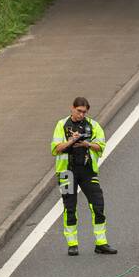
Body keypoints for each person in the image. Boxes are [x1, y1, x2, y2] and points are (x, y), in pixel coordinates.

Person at [51, 97, 116, 256]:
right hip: (67, 172)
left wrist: (87, 144)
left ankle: (101, 242)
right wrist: (71, 141)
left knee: (98, 205)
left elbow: (100, 146)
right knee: (70, 208)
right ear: (72, 108)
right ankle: (72, 244)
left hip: (87, 171)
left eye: (84, 112)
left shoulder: (93, 126)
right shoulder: (61, 125)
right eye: (79, 111)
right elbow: (55, 148)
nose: (81, 114)